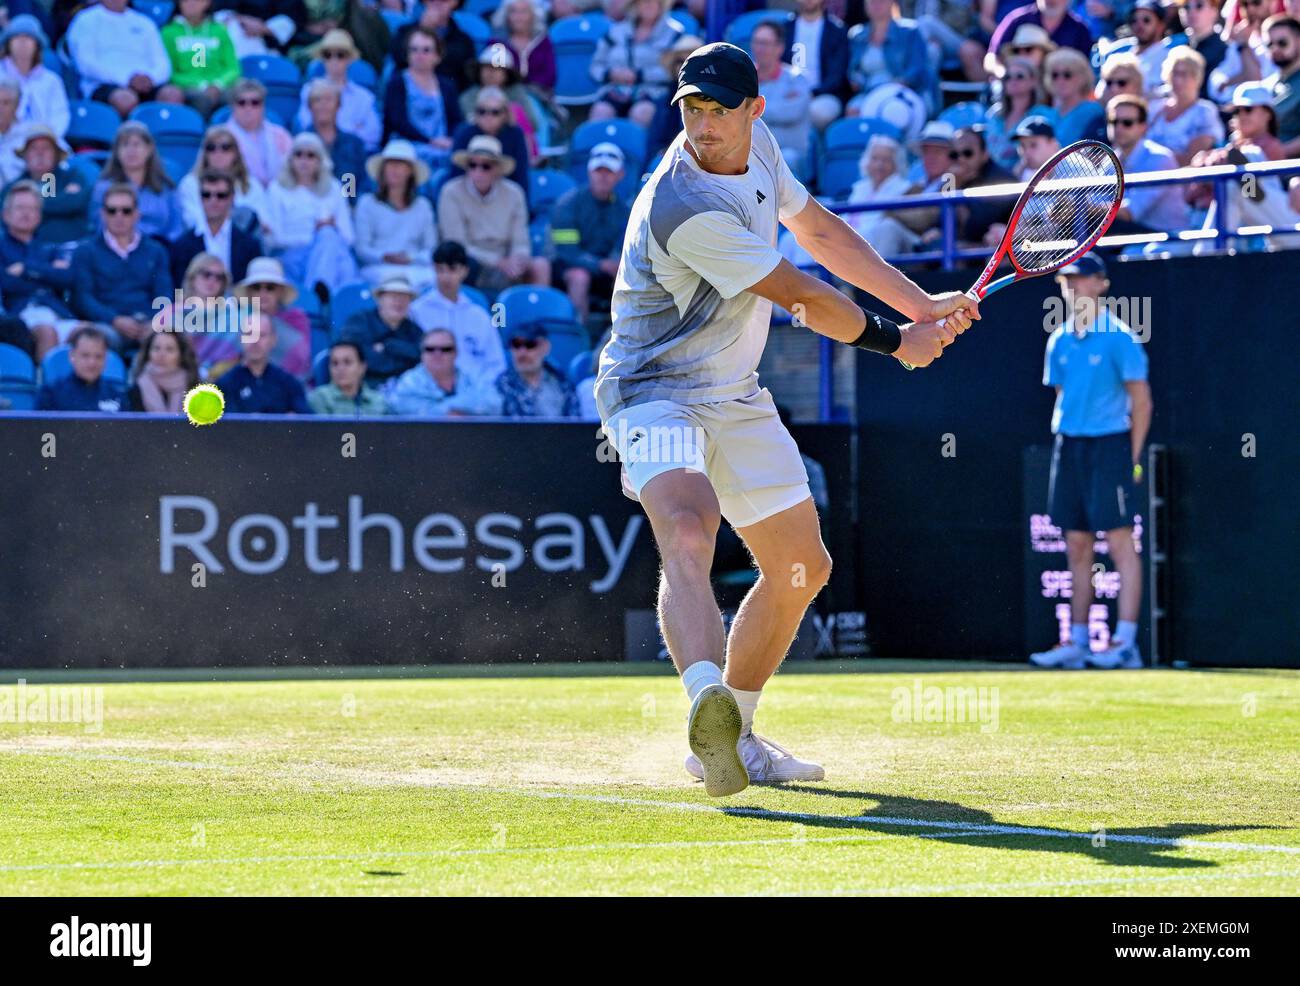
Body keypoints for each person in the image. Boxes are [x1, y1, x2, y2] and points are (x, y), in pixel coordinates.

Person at [595, 42, 975, 796]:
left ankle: (731, 728)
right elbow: (803, 294)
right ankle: (704, 690)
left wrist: (919, 303)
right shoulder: (684, 205)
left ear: (755, 111)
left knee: (803, 568)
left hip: (734, 392)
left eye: (719, 110)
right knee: (689, 524)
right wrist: (900, 342)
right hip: (651, 388)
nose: (703, 126)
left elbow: (823, 233)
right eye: (692, 111)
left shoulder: (763, 149)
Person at [1030, 252, 1152, 670]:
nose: (1072, 287)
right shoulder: (1058, 339)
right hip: (1070, 445)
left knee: (1119, 543)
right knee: (1077, 544)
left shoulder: (1120, 337)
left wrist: (1130, 459)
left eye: (1080, 280)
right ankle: (1078, 642)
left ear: (1101, 284)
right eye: (1066, 281)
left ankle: (1126, 643)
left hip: (1111, 446)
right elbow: (1063, 397)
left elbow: (1142, 403)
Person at [438, 133, 547, 295]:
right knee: (462, 264)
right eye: (472, 165)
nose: (478, 171)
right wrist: (497, 262)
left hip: (506, 260)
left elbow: (521, 240)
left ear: (497, 169)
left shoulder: (514, 193)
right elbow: (456, 244)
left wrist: (518, 260)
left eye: (485, 166)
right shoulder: (450, 192)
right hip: (471, 261)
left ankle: (536, 315)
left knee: (540, 265)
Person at [71, 183, 173, 350]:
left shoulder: (156, 251)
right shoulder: (86, 251)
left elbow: (164, 295)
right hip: (108, 325)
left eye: (126, 211)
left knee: (172, 338)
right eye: (112, 211)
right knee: (100, 339)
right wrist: (114, 320)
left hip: (148, 323)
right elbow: (84, 298)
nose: (119, 216)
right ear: (103, 214)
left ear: (137, 214)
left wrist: (154, 322)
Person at [261, 131, 358, 293]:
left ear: (320, 160)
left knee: (331, 241)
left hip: (329, 248)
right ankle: (324, 296)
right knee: (337, 255)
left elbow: (349, 237)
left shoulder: (334, 187)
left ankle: (317, 293)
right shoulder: (277, 189)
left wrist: (328, 231)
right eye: (299, 155)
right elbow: (275, 238)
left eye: (311, 155)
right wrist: (315, 235)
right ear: (291, 159)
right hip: (292, 253)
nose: (304, 161)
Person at [550, 142, 630, 325]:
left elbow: (623, 246)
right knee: (580, 277)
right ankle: (580, 337)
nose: (603, 176)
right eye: (598, 171)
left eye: (609, 172)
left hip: (605, 270)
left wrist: (616, 263)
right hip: (565, 268)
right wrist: (600, 265)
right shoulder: (567, 204)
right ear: (589, 172)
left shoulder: (624, 210)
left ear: (620, 175)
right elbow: (567, 252)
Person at [409, 239, 506, 384]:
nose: (446, 277)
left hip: (476, 389)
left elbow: (496, 363)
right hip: (429, 388)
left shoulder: (479, 315)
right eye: (440, 270)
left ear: (465, 271)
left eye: (452, 270)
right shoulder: (416, 311)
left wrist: (481, 386)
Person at [0, 180, 75, 358]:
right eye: (20, 208)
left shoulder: (50, 248)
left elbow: (67, 278)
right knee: (46, 332)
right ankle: (46, 384)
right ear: (5, 214)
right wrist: (47, 272)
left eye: (32, 208)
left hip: (57, 312)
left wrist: (26, 269)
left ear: (40, 215)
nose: (26, 213)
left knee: (89, 333)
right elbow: (6, 282)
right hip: (21, 314)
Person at [65, 0, 180, 115]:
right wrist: (126, 79)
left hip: (146, 83)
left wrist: (151, 79)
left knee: (172, 94)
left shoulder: (144, 22)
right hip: (104, 84)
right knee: (125, 100)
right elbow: (85, 63)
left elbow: (162, 62)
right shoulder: (85, 20)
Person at [354, 139, 438, 288]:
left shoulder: (423, 206)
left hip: (415, 268)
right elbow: (362, 249)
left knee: (432, 278)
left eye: (400, 164)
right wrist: (384, 257)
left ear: (410, 171)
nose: (394, 169)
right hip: (378, 268)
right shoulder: (367, 203)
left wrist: (410, 258)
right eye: (390, 164)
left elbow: (431, 249)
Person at [590, 0, 684, 127]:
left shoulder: (674, 33)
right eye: (643, 2)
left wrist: (640, 75)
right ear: (635, 5)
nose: (648, 5)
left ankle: (639, 146)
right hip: (616, 88)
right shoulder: (615, 32)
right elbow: (596, 65)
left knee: (641, 113)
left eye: (653, 2)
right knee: (601, 111)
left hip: (655, 91)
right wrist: (610, 74)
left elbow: (677, 69)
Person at [91, 122, 185, 242]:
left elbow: (176, 229)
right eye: (125, 145)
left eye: (136, 145)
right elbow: (99, 228)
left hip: (161, 250)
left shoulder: (166, 188)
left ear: (149, 149)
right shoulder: (103, 188)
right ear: (116, 151)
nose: (131, 151)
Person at [383, 27, 462, 169]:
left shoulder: (446, 86)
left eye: (426, 50)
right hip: (406, 148)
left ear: (437, 56)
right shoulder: (397, 83)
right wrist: (430, 141)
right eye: (414, 49)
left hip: (442, 149)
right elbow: (398, 122)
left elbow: (456, 120)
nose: (419, 55)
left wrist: (450, 140)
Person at [1107, 94, 1187, 234]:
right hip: (1132, 237)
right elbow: (1099, 203)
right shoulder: (1109, 161)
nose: (1119, 128)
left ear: (1143, 127)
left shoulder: (1160, 158)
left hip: (1166, 240)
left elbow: (1129, 213)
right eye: (1113, 121)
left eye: (1127, 123)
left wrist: (1079, 206)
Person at [172, 171, 264, 286]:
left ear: (232, 198)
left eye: (221, 195)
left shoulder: (250, 245)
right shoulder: (182, 246)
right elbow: (180, 290)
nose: (213, 200)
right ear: (200, 198)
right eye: (206, 195)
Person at [296, 29, 382, 151]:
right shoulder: (309, 90)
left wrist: (330, 130)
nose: (334, 60)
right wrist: (353, 129)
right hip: (317, 155)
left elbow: (373, 135)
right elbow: (307, 125)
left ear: (350, 59)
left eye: (340, 55)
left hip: (353, 157)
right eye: (328, 54)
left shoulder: (364, 97)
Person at [7, 124, 92, 243]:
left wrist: (31, 206)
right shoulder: (14, 187)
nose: (40, 153)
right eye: (34, 148)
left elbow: (76, 202)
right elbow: (5, 215)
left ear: (56, 155)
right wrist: (61, 201)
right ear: (25, 155)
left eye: (46, 148)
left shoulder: (73, 177)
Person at [389, 327, 500, 415]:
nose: (437, 354)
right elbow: (402, 407)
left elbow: (495, 404)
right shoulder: (410, 381)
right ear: (422, 354)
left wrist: (441, 408)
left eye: (446, 349)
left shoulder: (474, 376)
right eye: (430, 349)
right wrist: (452, 411)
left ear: (456, 353)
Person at [752, 21, 814, 180]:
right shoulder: (744, 78)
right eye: (757, 42)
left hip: (789, 153)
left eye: (765, 43)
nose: (760, 49)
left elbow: (791, 112)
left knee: (787, 159)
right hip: (753, 151)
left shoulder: (797, 78)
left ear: (779, 48)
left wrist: (750, 109)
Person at [846, 0, 933, 113]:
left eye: (881, 1)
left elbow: (917, 67)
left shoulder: (910, 31)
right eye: (871, 1)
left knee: (891, 111)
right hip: (868, 90)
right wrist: (857, 81)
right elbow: (853, 71)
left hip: (902, 92)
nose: (876, 4)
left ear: (893, 3)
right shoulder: (856, 35)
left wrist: (897, 85)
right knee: (853, 110)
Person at [232, 256, 311, 379]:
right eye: (257, 287)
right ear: (249, 292)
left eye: (270, 287)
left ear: (280, 291)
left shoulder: (296, 319)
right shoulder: (239, 319)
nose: (263, 294)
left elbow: (301, 359)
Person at [447, 86, 530, 203]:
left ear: (505, 114)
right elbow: (456, 174)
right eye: (482, 111)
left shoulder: (515, 134)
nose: (488, 117)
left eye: (495, 112)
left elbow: (520, 175)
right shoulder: (464, 133)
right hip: (468, 199)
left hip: (505, 200)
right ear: (476, 112)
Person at [215, 311, 311, 412]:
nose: (255, 341)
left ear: (273, 340)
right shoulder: (225, 384)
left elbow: (306, 422)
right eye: (249, 334)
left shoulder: (289, 384)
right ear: (241, 338)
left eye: (261, 335)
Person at [179, 125, 270, 232]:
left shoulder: (251, 185)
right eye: (211, 148)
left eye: (225, 147)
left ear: (236, 153)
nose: (218, 153)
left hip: (244, 242)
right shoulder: (190, 184)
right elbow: (192, 221)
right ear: (204, 153)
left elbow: (263, 224)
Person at [1146, 47, 1226, 165]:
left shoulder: (1205, 112)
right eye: (1174, 73)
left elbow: (1193, 157)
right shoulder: (1154, 108)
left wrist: (1154, 162)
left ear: (1196, 78)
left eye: (1184, 74)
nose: (1178, 80)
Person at [161, 0, 241, 117]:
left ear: (207, 3)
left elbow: (233, 68)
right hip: (187, 86)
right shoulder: (168, 32)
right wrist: (201, 85)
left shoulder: (219, 30)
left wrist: (217, 84)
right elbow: (169, 71)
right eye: (185, 1)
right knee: (201, 98)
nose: (191, 4)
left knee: (245, 94)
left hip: (219, 85)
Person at [337, 275, 424, 383]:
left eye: (404, 297)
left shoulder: (414, 330)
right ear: (379, 299)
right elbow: (355, 359)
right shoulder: (359, 322)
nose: (399, 302)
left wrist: (389, 345)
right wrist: (403, 357)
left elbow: (423, 356)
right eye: (393, 296)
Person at [782, 0, 853, 129]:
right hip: (788, 93)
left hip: (825, 95)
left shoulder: (837, 30)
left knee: (817, 111)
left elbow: (837, 76)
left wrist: (811, 93)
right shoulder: (785, 29)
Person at [173, 251, 243, 376]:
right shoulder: (174, 313)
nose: (212, 280)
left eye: (219, 277)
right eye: (206, 274)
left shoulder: (232, 317)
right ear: (193, 277)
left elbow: (234, 357)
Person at [0, 15, 70, 138]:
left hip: (44, 142)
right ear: (8, 44)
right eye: (16, 37)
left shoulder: (52, 80)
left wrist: (45, 139)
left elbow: (61, 115)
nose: (22, 42)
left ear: (37, 45)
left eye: (28, 37)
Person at [985, 0, 1093, 77]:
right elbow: (991, 58)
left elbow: (1085, 71)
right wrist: (1006, 75)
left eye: (1028, 50)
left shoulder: (1080, 30)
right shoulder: (1016, 20)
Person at [492, 324, 580, 417]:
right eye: (516, 345)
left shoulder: (563, 384)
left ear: (545, 347)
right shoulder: (500, 387)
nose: (522, 353)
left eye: (530, 345)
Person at [36, 325, 127, 411]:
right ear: (72, 356)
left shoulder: (116, 395)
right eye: (85, 355)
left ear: (106, 359)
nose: (92, 362)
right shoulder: (51, 393)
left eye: (98, 356)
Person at [846, 134, 914, 246]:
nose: (879, 165)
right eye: (875, 159)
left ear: (896, 164)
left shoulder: (904, 188)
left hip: (874, 245)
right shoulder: (859, 188)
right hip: (849, 241)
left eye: (886, 160)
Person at [985, 55, 1051, 171]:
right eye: (1008, 77)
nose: (1013, 81)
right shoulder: (993, 114)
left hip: (1024, 179)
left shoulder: (1042, 115)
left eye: (1019, 76)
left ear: (1033, 80)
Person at [302, 80, 369, 191]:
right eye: (317, 100)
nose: (323, 105)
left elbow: (360, 183)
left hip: (347, 202)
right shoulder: (299, 143)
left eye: (328, 100)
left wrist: (351, 205)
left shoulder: (354, 144)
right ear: (310, 107)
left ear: (338, 106)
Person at [226, 78, 294, 186]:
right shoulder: (222, 137)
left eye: (255, 102)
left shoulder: (281, 135)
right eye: (242, 102)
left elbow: (293, 169)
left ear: (263, 106)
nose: (248, 108)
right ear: (232, 106)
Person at [391, 0, 477, 77]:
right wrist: (422, 29)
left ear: (455, 2)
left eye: (444, 0)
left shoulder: (463, 41)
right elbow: (399, 58)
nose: (437, 3)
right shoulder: (404, 31)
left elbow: (463, 73)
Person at [308, 339, 392, 415]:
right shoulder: (320, 398)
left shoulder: (378, 401)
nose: (340, 368)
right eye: (335, 363)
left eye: (347, 362)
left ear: (362, 367)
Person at [1041, 46, 1105, 144]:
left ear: (1083, 77)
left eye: (1067, 74)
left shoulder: (1093, 111)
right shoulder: (1049, 115)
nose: (1060, 80)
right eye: (1055, 75)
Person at [490, 0, 557, 94]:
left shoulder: (543, 42)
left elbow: (549, 76)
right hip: (504, 96)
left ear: (534, 16)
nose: (518, 17)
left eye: (524, 11)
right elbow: (493, 76)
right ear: (506, 16)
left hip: (538, 96)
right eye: (513, 11)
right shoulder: (497, 43)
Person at [127, 329, 200, 413]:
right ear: (148, 353)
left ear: (181, 356)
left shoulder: (195, 389)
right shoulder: (136, 389)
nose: (161, 355)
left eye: (169, 349)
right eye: (156, 348)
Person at [1267, 14, 1300, 152]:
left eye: (1282, 43)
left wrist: (1278, 152)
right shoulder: (1270, 83)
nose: (1275, 49)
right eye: (1269, 44)